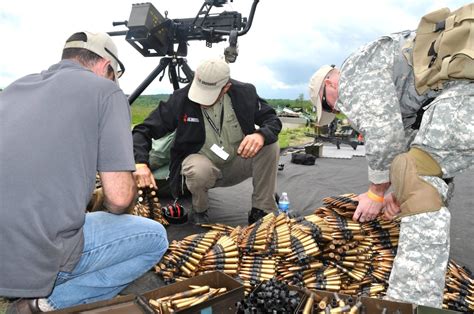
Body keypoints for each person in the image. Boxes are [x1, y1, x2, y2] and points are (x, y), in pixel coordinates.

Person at [0, 31, 168, 312]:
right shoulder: (106, 92)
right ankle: (44, 303)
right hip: (38, 253)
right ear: (105, 66)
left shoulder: (16, 87)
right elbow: (118, 198)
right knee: (155, 239)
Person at [309, 29, 474, 307]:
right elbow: (416, 149)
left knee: (419, 183)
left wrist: (376, 193)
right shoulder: (392, 77)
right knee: (418, 178)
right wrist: (398, 193)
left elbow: (385, 134)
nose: (339, 112)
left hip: (465, 96)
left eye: (331, 107)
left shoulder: (352, 74)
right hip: (463, 96)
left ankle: (410, 303)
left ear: (330, 86)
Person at [133, 57, 282, 225]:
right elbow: (142, 130)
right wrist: (140, 163)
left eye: (209, 94)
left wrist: (260, 135)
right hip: (203, 167)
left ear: (226, 88)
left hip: (238, 161)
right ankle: (200, 209)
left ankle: (262, 210)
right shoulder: (181, 99)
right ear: (196, 77)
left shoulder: (245, 93)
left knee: (270, 145)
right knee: (198, 170)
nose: (201, 99)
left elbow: (272, 120)